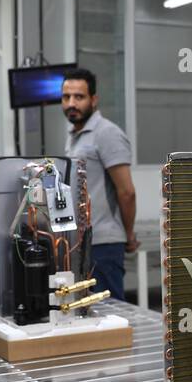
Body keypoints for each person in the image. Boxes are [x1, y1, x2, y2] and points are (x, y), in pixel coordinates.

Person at [61, 67, 138, 300]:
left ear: (93, 100)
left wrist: (128, 235)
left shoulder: (107, 133)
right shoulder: (74, 135)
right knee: (86, 312)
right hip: (80, 243)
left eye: (79, 97)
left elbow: (126, 192)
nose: (71, 103)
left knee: (110, 313)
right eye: (66, 97)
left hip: (104, 243)